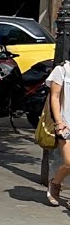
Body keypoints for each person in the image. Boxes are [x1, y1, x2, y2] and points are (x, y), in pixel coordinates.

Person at [46, 56, 70, 204]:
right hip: (66, 123)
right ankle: (55, 183)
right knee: (69, 161)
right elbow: (54, 97)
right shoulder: (62, 70)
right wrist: (59, 122)